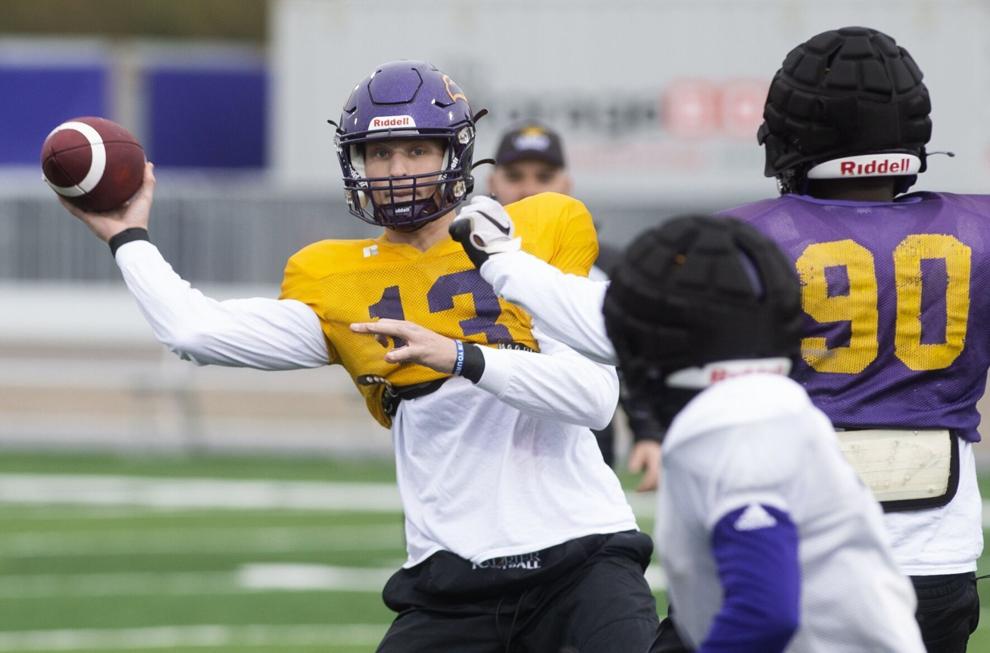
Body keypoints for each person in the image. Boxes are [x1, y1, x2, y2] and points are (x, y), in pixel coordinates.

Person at [57, 60, 659, 652]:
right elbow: (193, 331)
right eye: (379, 153)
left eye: (416, 150)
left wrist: (461, 357)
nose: (396, 170)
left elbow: (592, 398)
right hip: (452, 580)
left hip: (584, 561)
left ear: (455, 153)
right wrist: (128, 237)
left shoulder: (531, 232)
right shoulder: (336, 278)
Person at [434, 209, 927, 650]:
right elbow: (603, 315)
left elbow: (765, 611)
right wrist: (502, 260)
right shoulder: (757, 399)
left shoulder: (738, 424)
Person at [721, 26, 984, 652]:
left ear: (788, 134)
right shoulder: (976, 228)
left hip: (792, 549)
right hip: (934, 557)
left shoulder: (746, 237)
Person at [490, 121, 664, 489]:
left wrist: (648, 431)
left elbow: (633, 354)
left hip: (582, 454)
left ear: (566, 184)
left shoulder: (607, 265)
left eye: (544, 176)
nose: (528, 188)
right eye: (515, 176)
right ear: (492, 183)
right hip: (485, 447)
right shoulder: (454, 261)